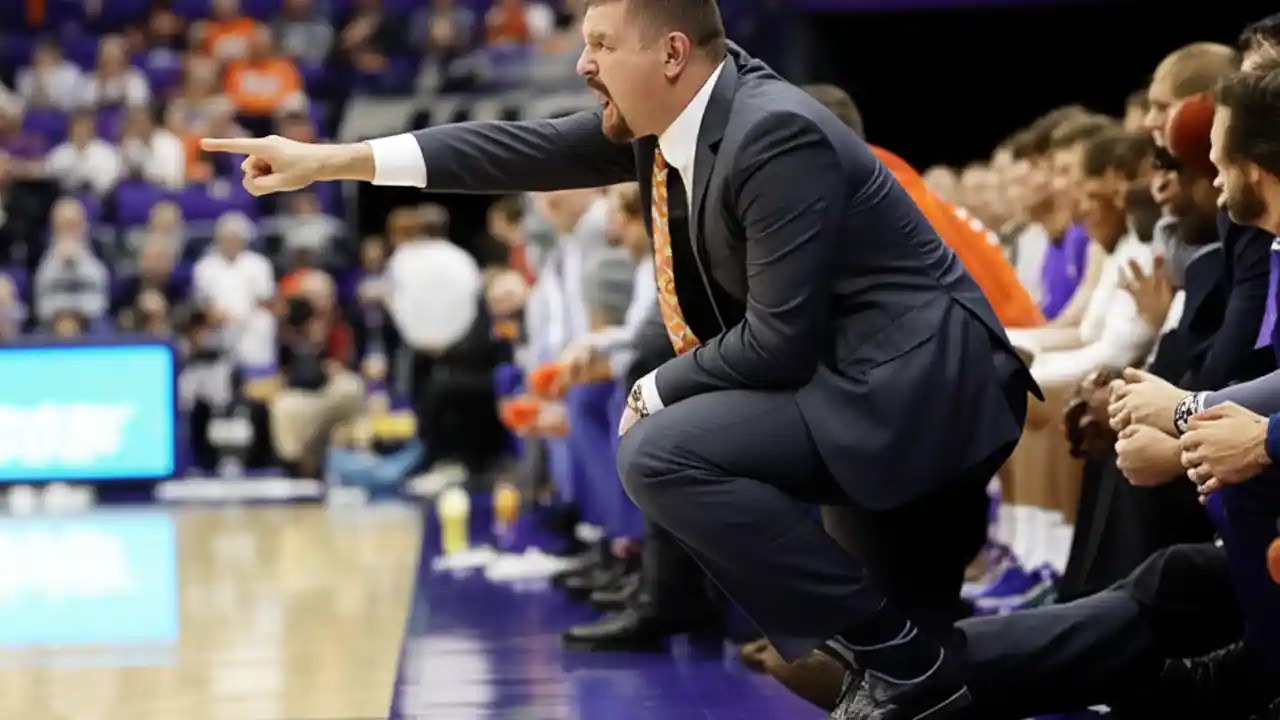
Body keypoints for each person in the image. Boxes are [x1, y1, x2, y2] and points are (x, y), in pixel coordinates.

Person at [200, 1, 1036, 715]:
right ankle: (947, 649)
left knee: (664, 447)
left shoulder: (773, 132)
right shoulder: (672, 118)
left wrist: (655, 386)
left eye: (601, 43)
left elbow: (780, 342)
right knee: (945, 677)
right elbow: (511, 149)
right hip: (862, 390)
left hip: (923, 403)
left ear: (672, 53)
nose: (582, 61)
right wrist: (332, 162)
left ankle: (894, 651)